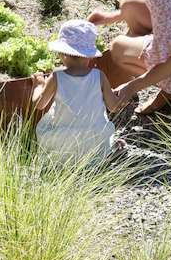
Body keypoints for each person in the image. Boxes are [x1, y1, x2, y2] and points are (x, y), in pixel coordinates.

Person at [32, 19, 118, 164]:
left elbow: (39, 104)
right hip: (94, 142)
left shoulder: (57, 76)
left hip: (63, 143)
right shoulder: (99, 76)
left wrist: (38, 85)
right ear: (90, 56)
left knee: (45, 126)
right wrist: (116, 94)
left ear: (60, 53)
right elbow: (113, 107)